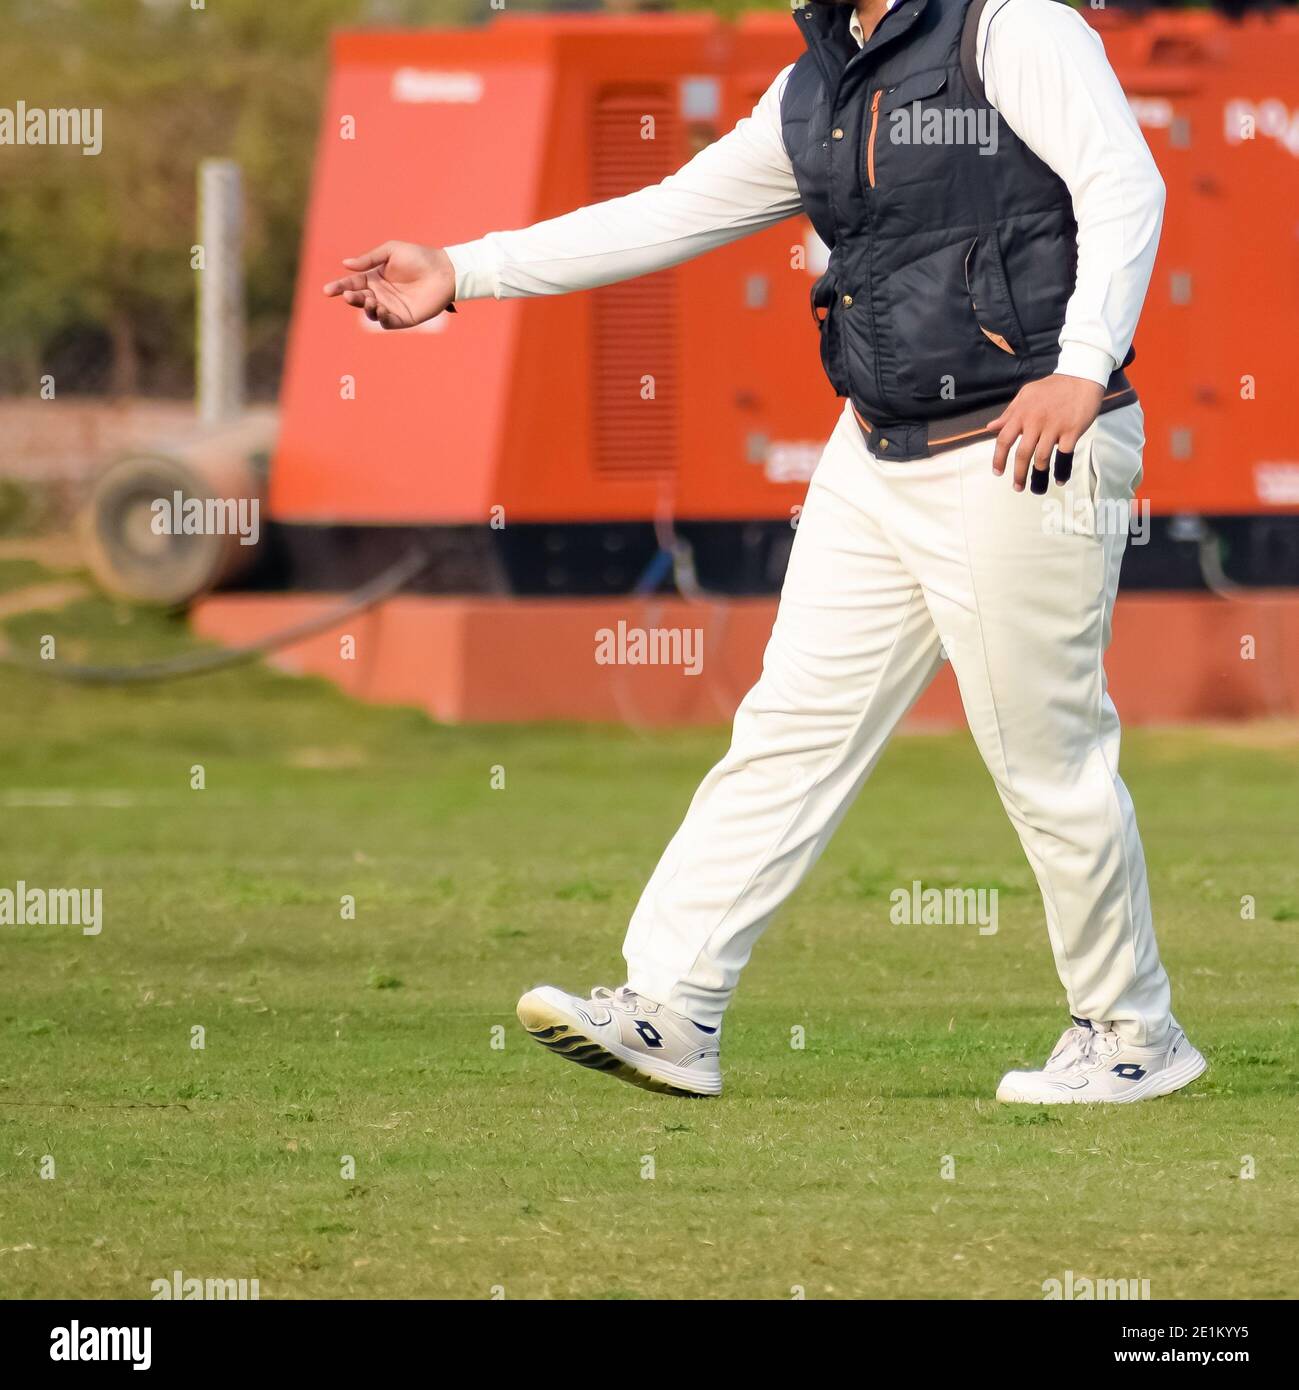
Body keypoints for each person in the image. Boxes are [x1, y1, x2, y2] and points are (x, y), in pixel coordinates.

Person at [324, 0, 1207, 1104]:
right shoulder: (818, 84)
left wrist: (1084, 362)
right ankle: (672, 1006)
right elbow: (669, 214)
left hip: (1021, 444)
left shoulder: (1015, 26)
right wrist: (463, 266)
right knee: (787, 729)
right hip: (876, 450)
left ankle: (1132, 1033)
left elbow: (1124, 184)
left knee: (1045, 758)